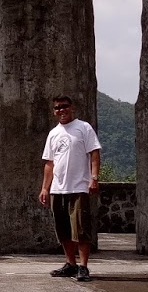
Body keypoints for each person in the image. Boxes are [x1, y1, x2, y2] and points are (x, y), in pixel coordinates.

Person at [39, 94, 102, 282]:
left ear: (71, 107)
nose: (61, 110)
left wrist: (94, 178)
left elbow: (94, 153)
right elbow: (50, 163)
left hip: (78, 186)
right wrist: (45, 188)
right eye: (58, 108)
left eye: (64, 106)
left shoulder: (83, 128)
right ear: (54, 111)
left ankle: (83, 266)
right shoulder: (53, 133)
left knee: (81, 228)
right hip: (58, 188)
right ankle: (70, 264)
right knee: (63, 229)